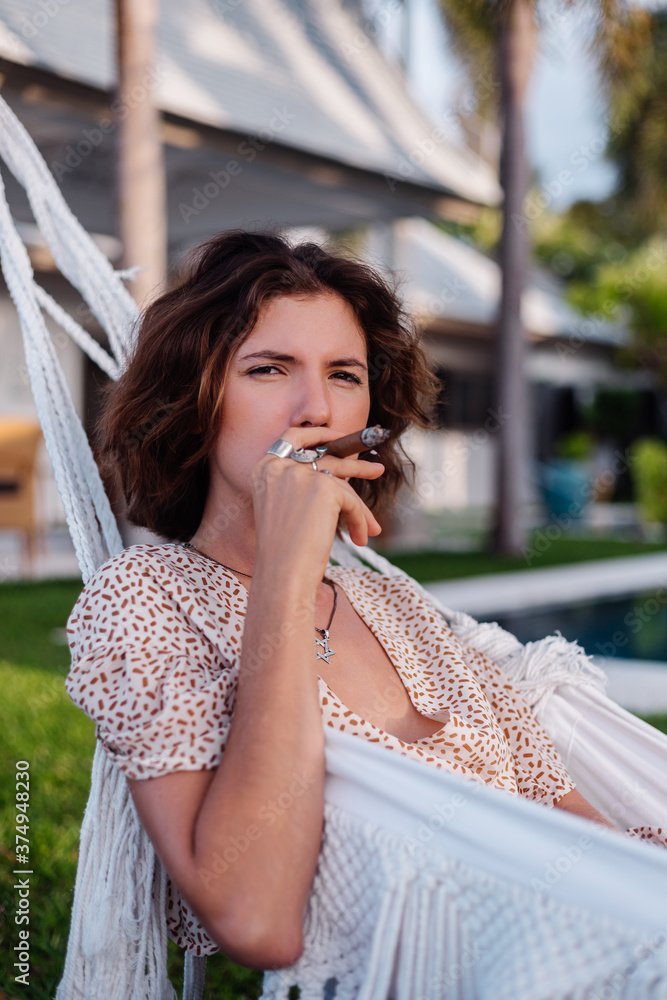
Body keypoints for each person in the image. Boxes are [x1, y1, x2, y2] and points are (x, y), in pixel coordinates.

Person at [65, 230, 631, 974]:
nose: (316, 409)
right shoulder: (148, 601)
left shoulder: (398, 603)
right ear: (195, 402)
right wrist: (285, 576)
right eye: (268, 369)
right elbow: (255, 917)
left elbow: (582, 834)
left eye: (343, 374)